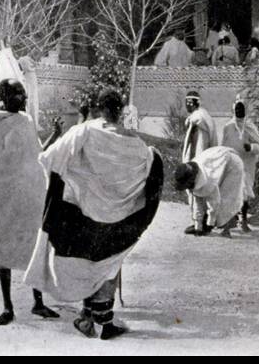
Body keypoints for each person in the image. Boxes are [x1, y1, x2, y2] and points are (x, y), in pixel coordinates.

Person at [24, 89, 163, 341]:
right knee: (109, 263)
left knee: (91, 261)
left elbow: (49, 159)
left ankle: (89, 317)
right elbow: (150, 168)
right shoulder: (136, 144)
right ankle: (102, 322)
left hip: (84, 214)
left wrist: (78, 179)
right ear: (120, 111)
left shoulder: (85, 131)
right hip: (119, 216)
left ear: (100, 108)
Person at [0, 78, 61, 326]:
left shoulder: (26, 121)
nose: (22, 99)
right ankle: (8, 306)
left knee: (33, 245)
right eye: (17, 94)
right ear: (3, 97)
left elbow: (37, 156)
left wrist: (54, 135)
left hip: (29, 196)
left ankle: (38, 302)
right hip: (1, 198)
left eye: (23, 95)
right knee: (4, 246)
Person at [174, 144, 246, 236]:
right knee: (205, 201)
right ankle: (204, 225)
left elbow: (214, 205)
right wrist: (197, 227)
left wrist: (210, 224)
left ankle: (226, 227)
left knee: (227, 198)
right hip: (217, 160)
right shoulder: (190, 173)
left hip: (233, 163)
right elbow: (197, 203)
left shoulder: (208, 180)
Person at [219, 99, 259, 232]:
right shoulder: (227, 127)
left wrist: (250, 147)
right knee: (229, 194)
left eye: (242, 109)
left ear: (245, 111)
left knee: (244, 195)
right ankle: (228, 224)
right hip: (232, 166)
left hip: (246, 167)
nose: (239, 112)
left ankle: (243, 221)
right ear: (233, 111)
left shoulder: (250, 127)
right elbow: (222, 146)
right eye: (237, 109)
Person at [181, 90, 217, 234]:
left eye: (190, 103)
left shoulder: (200, 118)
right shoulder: (197, 118)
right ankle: (199, 223)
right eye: (186, 103)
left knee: (198, 191)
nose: (187, 106)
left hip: (200, 159)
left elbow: (199, 121)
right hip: (197, 159)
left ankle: (200, 226)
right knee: (196, 191)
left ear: (196, 103)